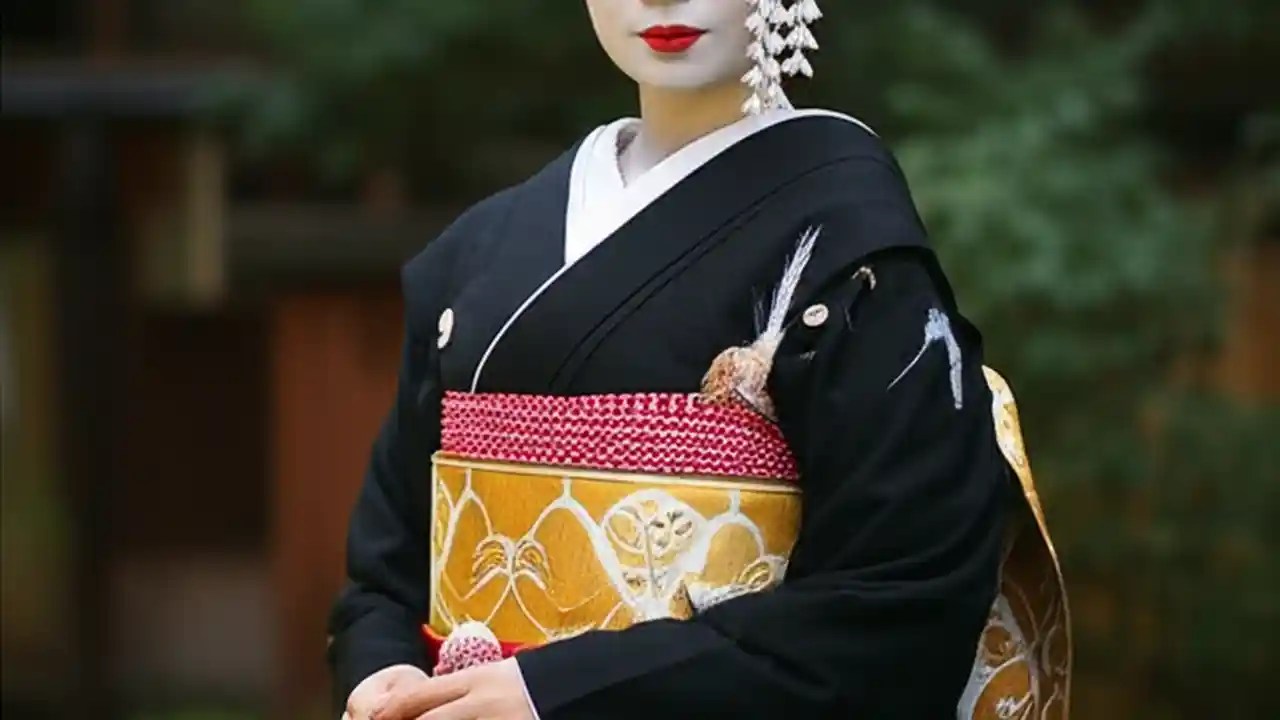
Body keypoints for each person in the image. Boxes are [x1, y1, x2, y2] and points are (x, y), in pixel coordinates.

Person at [328, 1, 1071, 719]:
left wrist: (555, 697)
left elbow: (896, 608)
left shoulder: (849, 248)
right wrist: (384, 673)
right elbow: (385, 575)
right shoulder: (479, 252)